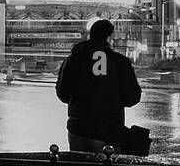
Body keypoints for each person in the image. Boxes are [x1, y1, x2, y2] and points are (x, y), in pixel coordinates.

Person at [55, 19, 142, 154]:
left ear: (91, 35)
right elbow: (132, 97)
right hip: (108, 129)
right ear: (109, 37)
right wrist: (113, 101)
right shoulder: (119, 62)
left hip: (78, 128)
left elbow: (62, 92)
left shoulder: (73, 60)